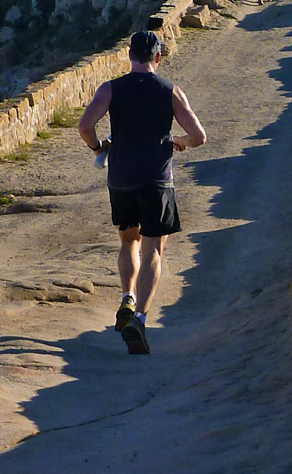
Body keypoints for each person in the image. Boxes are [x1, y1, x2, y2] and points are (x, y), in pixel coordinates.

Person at [77, 31, 206, 355]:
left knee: (128, 240)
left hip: (120, 179)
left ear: (129, 56)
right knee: (154, 251)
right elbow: (198, 135)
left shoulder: (111, 89)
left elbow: (85, 125)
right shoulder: (170, 91)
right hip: (156, 181)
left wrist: (97, 146)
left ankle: (126, 297)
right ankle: (140, 318)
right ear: (158, 57)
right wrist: (180, 142)